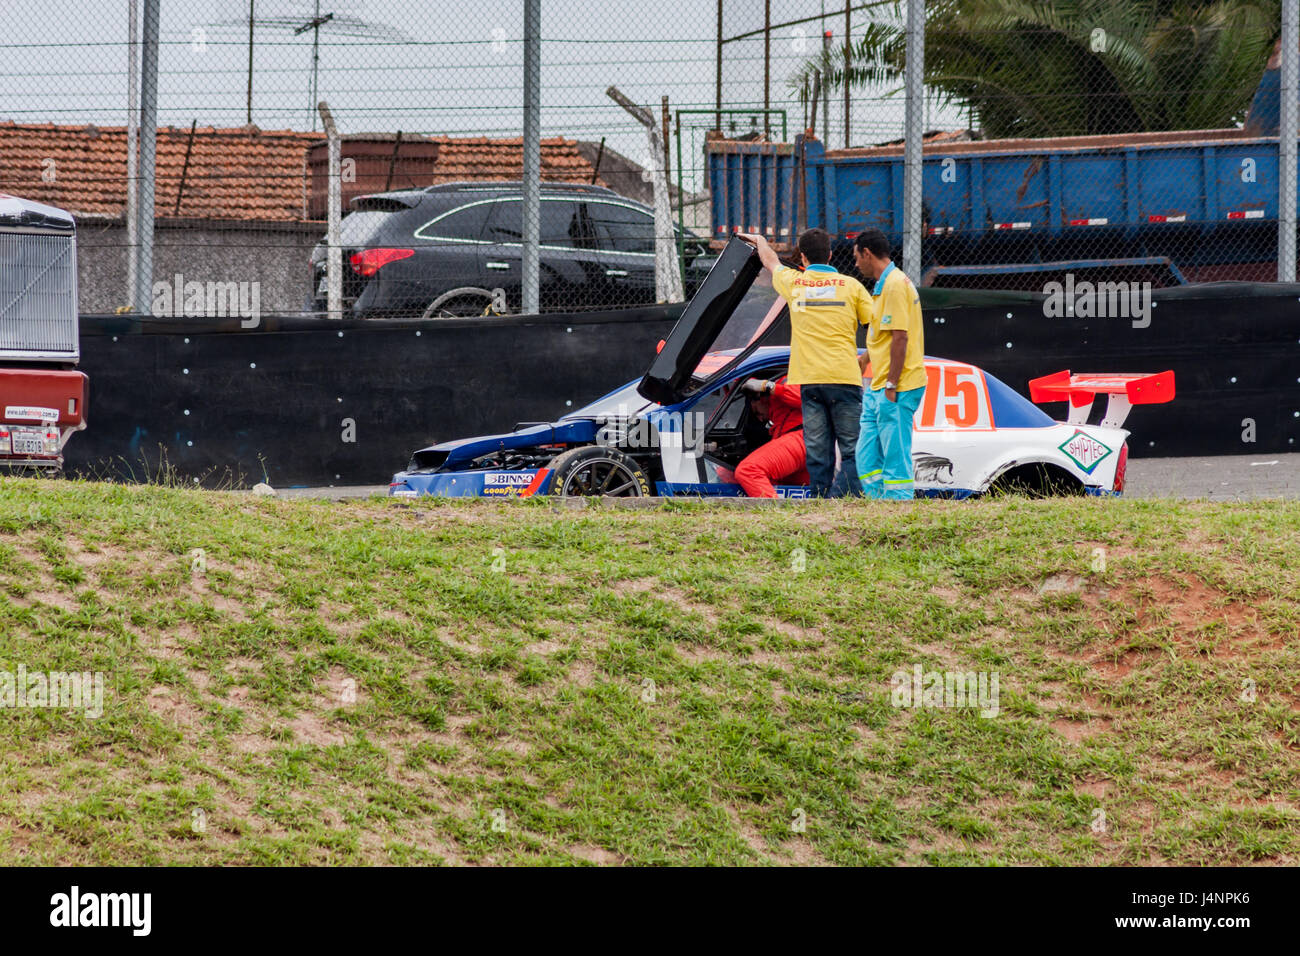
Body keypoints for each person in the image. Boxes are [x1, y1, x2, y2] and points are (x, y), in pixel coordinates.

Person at [737, 229, 872, 497]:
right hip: (845, 379)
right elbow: (879, 329)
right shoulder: (852, 286)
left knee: (818, 452)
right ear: (831, 255)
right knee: (852, 450)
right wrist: (864, 359)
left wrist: (762, 242)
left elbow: (770, 262)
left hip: (809, 382)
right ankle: (846, 504)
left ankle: (821, 503)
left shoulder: (795, 283)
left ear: (803, 258)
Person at [852, 228, 927, 500]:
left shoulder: (895, 285)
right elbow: (883, 333)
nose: (856, 263)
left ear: (867, 253)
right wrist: (865, 359)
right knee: (867, 457)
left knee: (895, 461)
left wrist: (892, 384)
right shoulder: (886, 285)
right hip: (879, 384)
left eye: (857, 257)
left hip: (896, 385)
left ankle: (899, 510)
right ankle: (878, 505)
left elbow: (900, 338)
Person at [715, 376, 808, 498]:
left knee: (748, 470)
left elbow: (809, 397)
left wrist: (769, 387)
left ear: (758, 397)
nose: (758, 417)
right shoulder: (778, 421)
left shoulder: (783, 381)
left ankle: (775, 514)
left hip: (803, 438)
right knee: (727, 474)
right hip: (804, 444)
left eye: (754, 408)